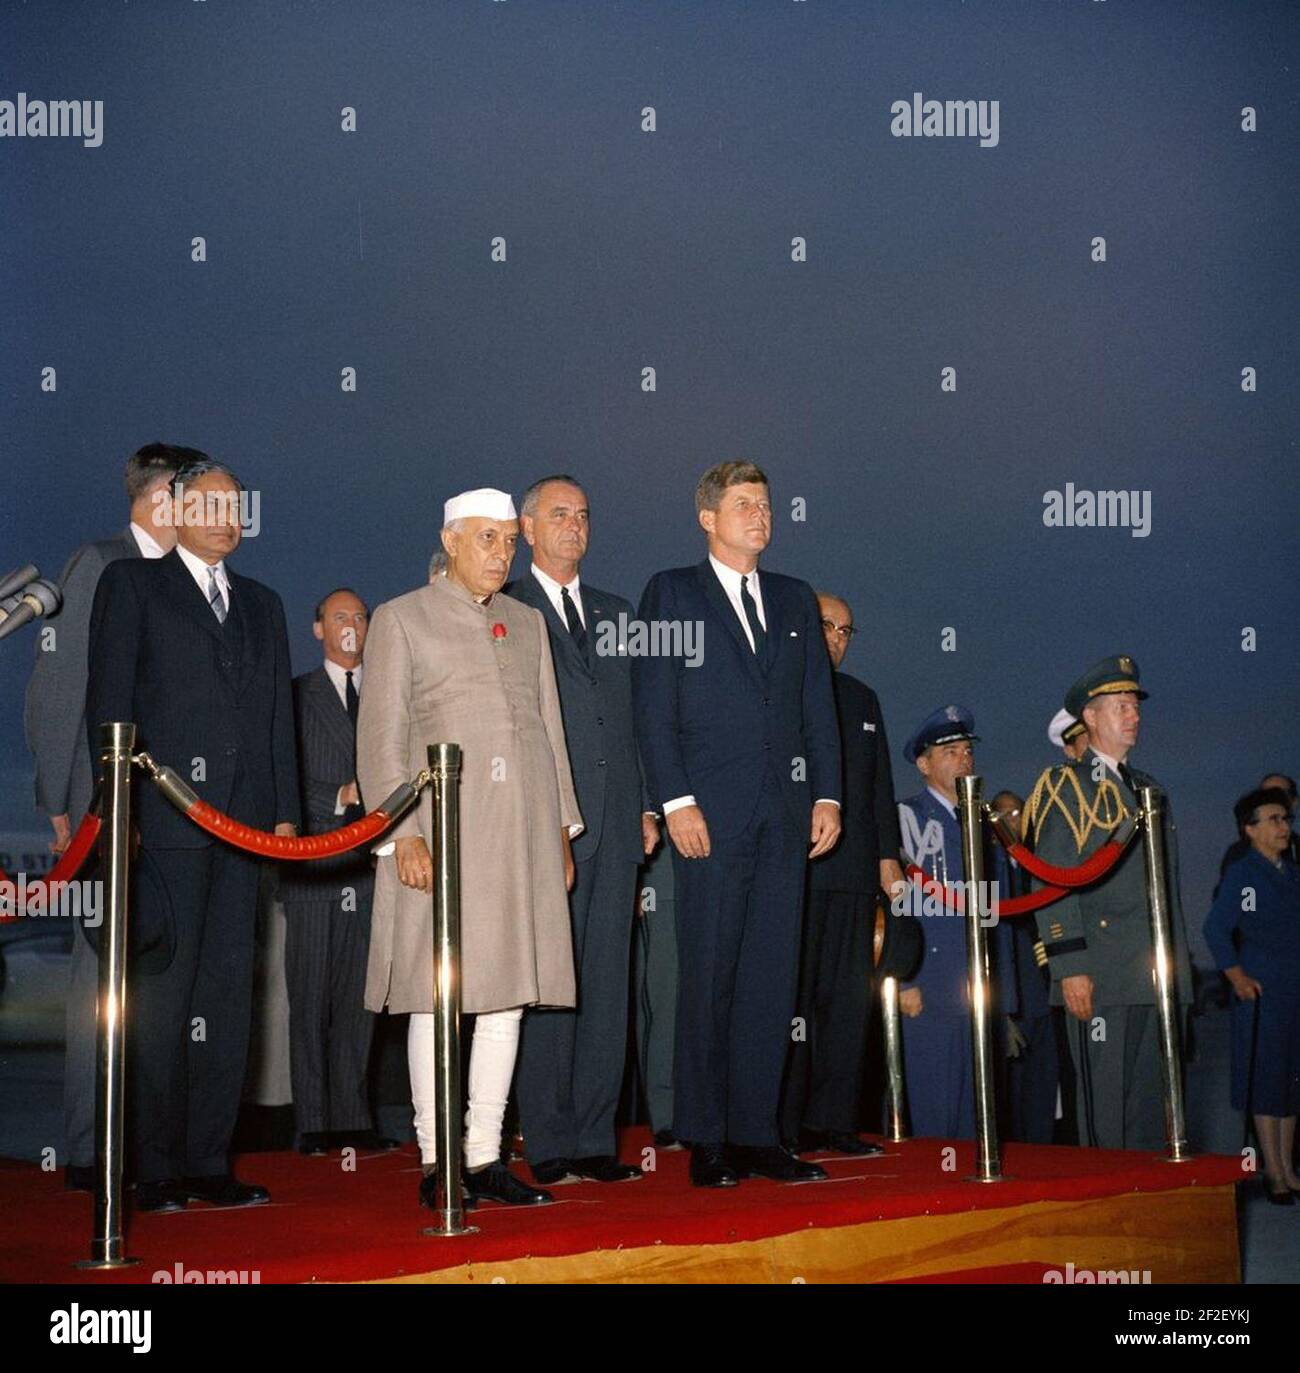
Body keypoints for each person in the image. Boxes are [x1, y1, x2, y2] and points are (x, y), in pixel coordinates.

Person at [357, 487, 582, 1208]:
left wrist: (561, 830)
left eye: (508, 540)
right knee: (437, 996)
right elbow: (381, 739)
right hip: (442, 835)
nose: (501, 552)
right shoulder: (400, 618)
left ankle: (486, 1155)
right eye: (485, 539)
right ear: (450, 540)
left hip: (521, 834)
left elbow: (550, 731)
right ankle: (437, 1156)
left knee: (508, 996)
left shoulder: (527, 622)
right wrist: (401, 835)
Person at [86, 456, 300, 1212]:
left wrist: (281, 814)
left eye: (237, 504)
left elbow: (278, 718)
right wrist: (121, 817)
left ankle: (211, 1160)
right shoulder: (133, 586)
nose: (227, 515)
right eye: (210, 502)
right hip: (164, 827)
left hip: (243, 833)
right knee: (165, 1000)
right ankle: (154, 1166)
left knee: (227, 1000)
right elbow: (108, 704)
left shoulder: (264, 605)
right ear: (174, 509)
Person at [634, 461, 841, 1188]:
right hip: (708, 819)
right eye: (743, 503)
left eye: (765, 503)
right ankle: (707, 1137)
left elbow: (818, 704)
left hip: (785, 815)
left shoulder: (793, 599)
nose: (759, 513)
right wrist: (675, 799)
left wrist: (829, 796)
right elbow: (652, 706)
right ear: (707, 517)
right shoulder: (671, 591)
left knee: (769, 978)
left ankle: (760, 1134)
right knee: (709, 973)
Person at [23, 443, 189, 1193]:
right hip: (106, 806)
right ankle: (91, 1151)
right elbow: (59, 687)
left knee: (162, 981)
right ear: (163, 498)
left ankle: (150, 1142)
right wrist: (62, 803)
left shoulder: (184, 579)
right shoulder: (99, 562)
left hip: (177, 807)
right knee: (105, 982)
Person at [511, 475, 653, 1185]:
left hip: (620, 822)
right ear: (527, 527)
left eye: (584, 515)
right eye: (559, 514)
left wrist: (649, 804)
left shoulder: (616, 611)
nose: (575, 525)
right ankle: (548, 1140)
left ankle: (597, 1140)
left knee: (607, 985)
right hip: (544, 828)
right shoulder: (504, 607)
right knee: (545, 986)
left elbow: (637, 721)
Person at [1025, 655, 1192, 1150]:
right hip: (1100, 970)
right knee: (1107, 1112)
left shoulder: (1148, 789)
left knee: (1150, 1107)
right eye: (1120, 706)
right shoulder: (1067, 786)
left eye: (1135, 706)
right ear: (1090, 718)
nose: (1133, 715)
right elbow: (1050, 881)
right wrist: (1069, 965)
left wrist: (1178, 970)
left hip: (1150, 971)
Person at [781, 591, 902, 1155]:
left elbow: (878, 785)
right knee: (793, 1001)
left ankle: (834, 1122)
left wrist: (887, 857)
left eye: (846, 630)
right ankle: (783, 1123)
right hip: (797, 873)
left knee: (849, 1000)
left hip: (853, 874)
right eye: (826, 625)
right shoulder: (780, 689)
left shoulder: (863, 699)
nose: (835, 637)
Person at [280, 588, 396, 1157]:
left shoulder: (388, 691)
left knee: (360, 1000)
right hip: (315, 868)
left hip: (374, 873)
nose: (351, 624)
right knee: (310, 1001)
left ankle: (353, 1118)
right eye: (339, 616)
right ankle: (313, 1123)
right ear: (317, 628)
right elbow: (283, 779)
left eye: (360, 615)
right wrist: (342, 794)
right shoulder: (295, 696)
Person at [896, 706, 1010, 1139]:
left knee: (978, 1105)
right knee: (934, 1103)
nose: (964, 758)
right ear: (924, 765)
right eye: (950, 752)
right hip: (931, 976)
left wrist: (1007, 994)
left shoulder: (982, 821)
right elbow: (896, 902)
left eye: (967, 750)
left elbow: (998, 913)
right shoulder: (907, 818)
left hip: (977, 979)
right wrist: (904, 979)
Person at [1203, 787, 1300, 1204]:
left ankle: (1289, 1166)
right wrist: (1237, 976)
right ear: (1250, 829)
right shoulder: (1245, 875)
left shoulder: (1292, 872)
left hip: (1294, 989)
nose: (1284, 826)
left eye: (1286, 819)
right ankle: (1273, 1171)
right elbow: (1217, 927)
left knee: (1292, 1081)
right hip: (1262, 992)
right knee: (1267, 1081)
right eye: (1274, 819)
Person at [991, 789, 1062, 1144]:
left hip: (1044, 999)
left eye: (1016, 813)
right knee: (1011, 1104)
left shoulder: (1041, 866)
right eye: (1001, 815)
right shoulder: (986, 869)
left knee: (1043, 1099)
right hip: (1011, 1002)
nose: (1009, 821)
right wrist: (1001, 1011)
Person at [1218, 774, 1299, 879]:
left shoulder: (1295, 849)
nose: (1273, 800)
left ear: (1295, 802)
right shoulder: (1240, 856)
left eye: (1279, 793)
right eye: (1265, 794)